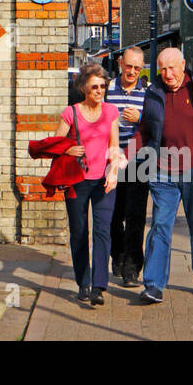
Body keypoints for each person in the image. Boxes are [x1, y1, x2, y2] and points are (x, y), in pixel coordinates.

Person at [138, 47, 193, 304]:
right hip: (162, 173)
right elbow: (144, 130)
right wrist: (124, 155)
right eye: (162, 69)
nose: (167, 74)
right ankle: (153, 285)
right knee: (160, 227)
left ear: (184, 65)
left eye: (172, 68)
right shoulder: (154, 92)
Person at [54, 63, 122, 307]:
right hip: (77, 181)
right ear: (84, 87)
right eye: (95, 86)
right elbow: (56, 146)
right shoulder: (70, 113)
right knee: (80, 232)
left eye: (103, 86)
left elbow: (114, 146)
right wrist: (69, 148)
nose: (100, 90)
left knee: (103, 231)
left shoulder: (111, 111)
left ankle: (99, 286)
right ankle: (83, 283)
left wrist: (114, 170)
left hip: (103, 180)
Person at [107, 46, 149, 287]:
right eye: (129, 66)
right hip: (111, 159)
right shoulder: (107, 89)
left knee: (135, 217)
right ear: (121, 63)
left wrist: (140, 119)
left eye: (137, 68)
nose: (132, 71)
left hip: (138, 161)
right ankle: (118, 255)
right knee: (112, 215)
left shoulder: (148, 92)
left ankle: (132, 268)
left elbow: (155, 123)